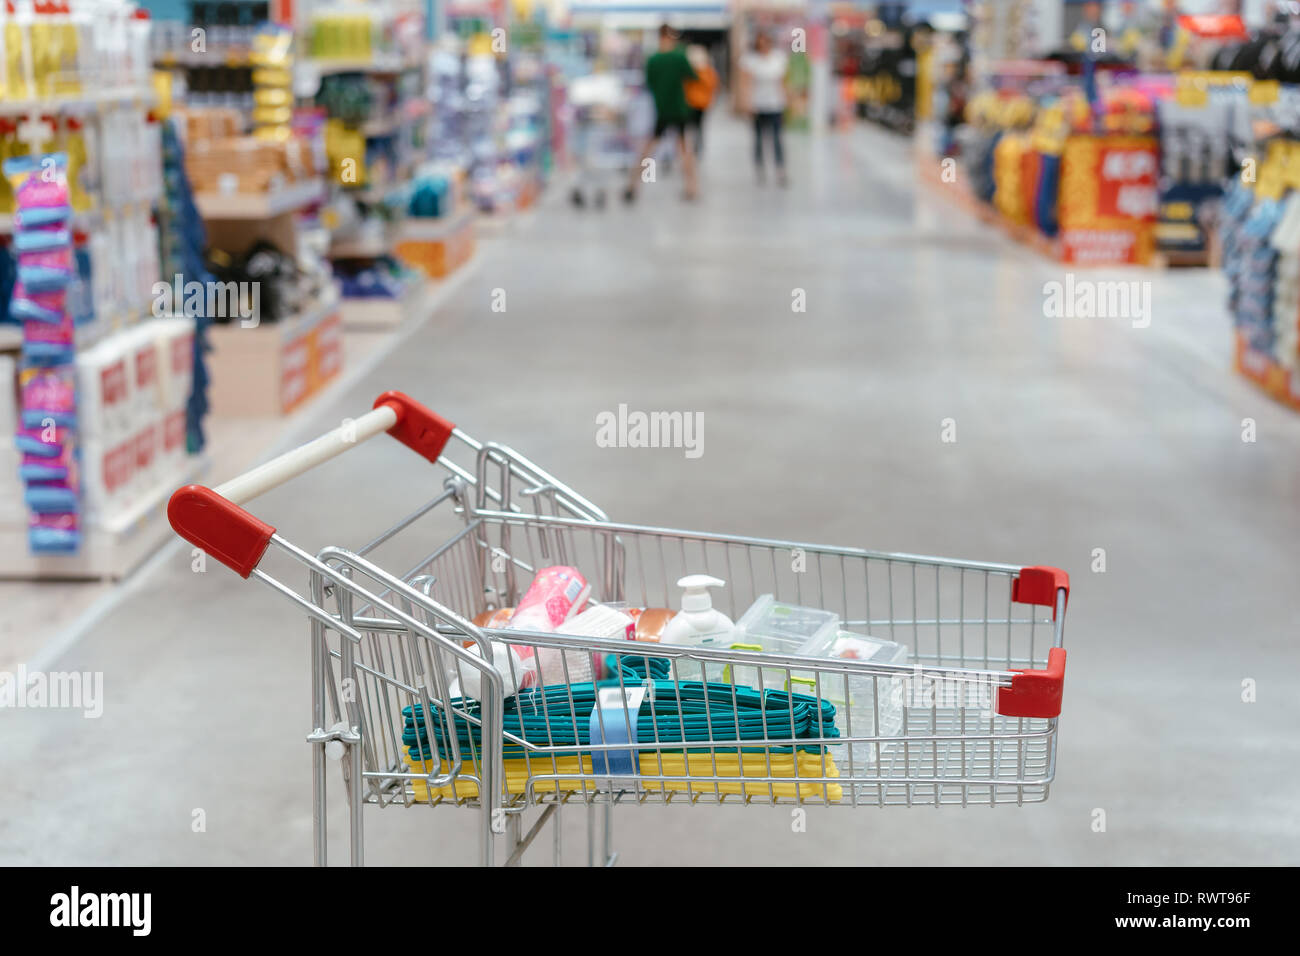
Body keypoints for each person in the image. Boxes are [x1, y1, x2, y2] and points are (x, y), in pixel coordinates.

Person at [625, 24, 699, 202]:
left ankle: (633, 185)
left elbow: (649, 83)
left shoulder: (653, 59)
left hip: (662, 110)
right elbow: (693, 77)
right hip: (679, 109)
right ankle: (691, 187)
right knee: (684, 149)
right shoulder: (679, 56)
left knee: (648, 149)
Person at [740, 31, 789, 187]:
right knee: (759, 139)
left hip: (775, 104)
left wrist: (786, 100)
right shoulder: (750, 60)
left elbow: (782, 82)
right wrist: (747, 103)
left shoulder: (778, 59)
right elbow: (746, 83)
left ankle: (780, 169)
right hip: (757, 104)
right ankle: (759, 168)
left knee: (777, 138)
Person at [683, 44, 718, 157]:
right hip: (690, 103)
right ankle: (690, 148)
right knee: (690, 128)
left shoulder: (706, 71)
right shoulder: (690, 70)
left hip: (701, 104)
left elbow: (712, 85)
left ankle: (697, 148)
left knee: (699, 126)